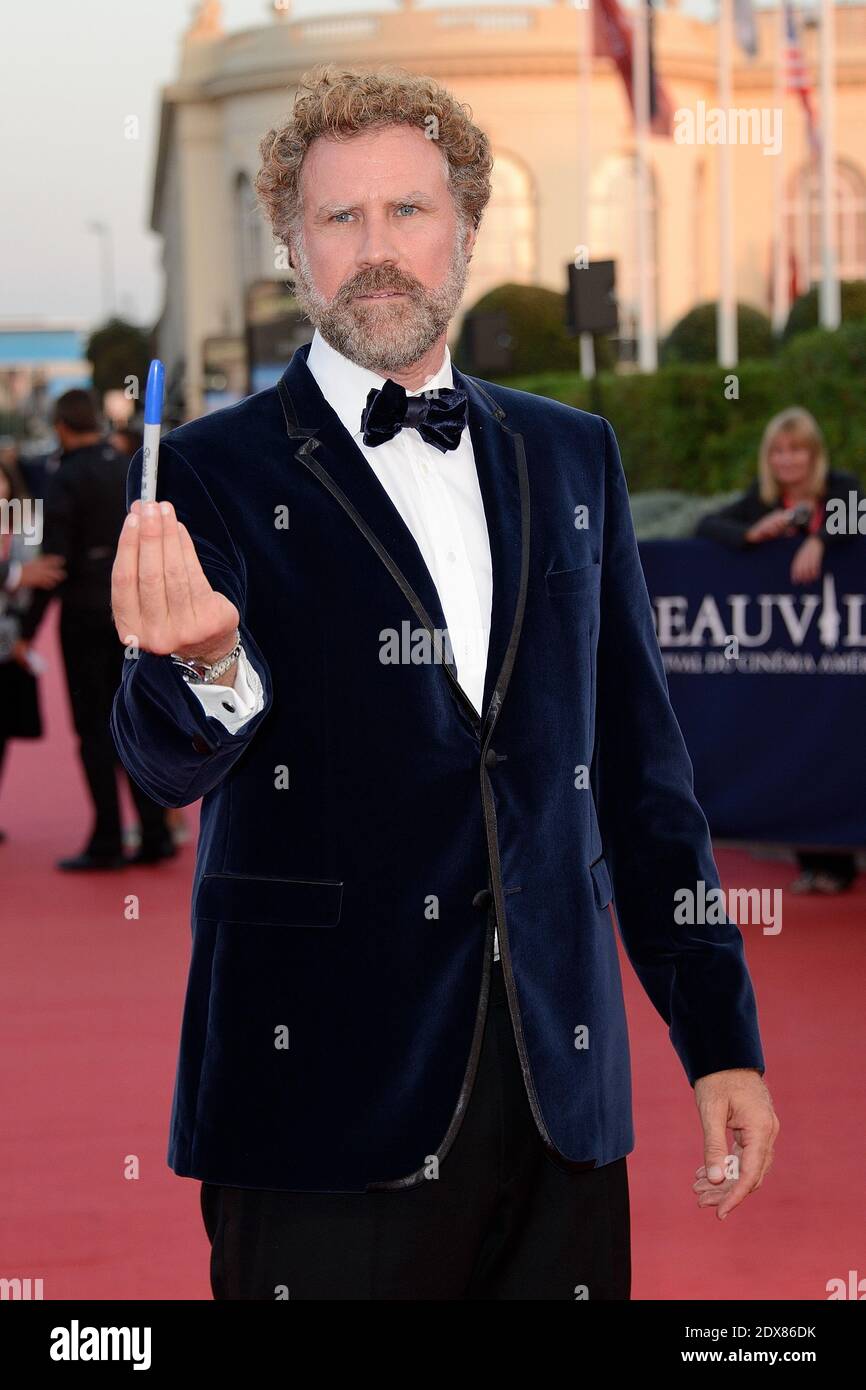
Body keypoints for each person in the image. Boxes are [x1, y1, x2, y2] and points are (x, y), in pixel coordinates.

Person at [110, 66, 777, 1301]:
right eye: (339, 219)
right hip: (316, 1103)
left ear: (466, 231)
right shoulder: (208, 470)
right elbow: (158, 757)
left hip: (553, 1099)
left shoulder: (573, 453)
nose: (377, 251)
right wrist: (204, 661)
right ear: (291, 251)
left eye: (408, 213)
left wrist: (716, 1036)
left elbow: (642, 778)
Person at [697, 406, 862, 894]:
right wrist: (754, 533)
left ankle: (843, 861)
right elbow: (709, 526)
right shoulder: (760, 500)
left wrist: (821, 542)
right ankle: (815, 861)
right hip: (787, 659)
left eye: (798, 451)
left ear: (815, 456)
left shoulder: (842, 488)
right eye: (779, 451)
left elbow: (857, 515)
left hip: (842, 657)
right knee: (796, 744)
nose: (788, 460)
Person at [16, 390, 174, 870]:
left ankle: (107, 838)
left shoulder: (65, 478)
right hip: (135, 613)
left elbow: (53, 565)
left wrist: (26, 626)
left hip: (86, 616)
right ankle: (154, 833)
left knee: (94, 728)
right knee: (137, 720)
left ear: (62, 427)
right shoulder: (125, 465)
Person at [0, 459, 66, 843]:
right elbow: (22, 574)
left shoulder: (22, 523)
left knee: (4, 733)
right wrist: (14, 575)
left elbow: (37, 573)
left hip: (9, 644)